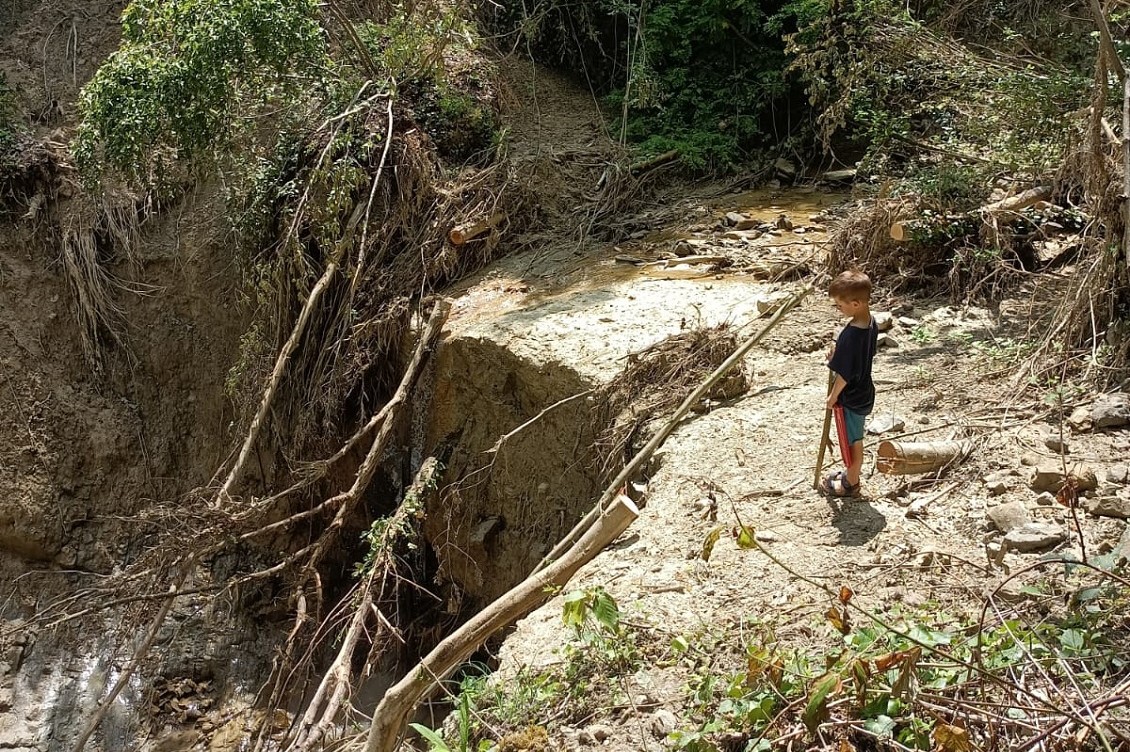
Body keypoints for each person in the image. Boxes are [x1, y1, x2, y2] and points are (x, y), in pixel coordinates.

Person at [823, 270, 879, 497]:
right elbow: (856, 356)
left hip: (852, 397)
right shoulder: (869, 321)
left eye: (840, 305)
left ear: (855, 303)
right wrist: (836, 353)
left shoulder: (851, 337)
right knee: (853, 438)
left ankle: (851, 483)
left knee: (853, 441)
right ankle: (849, 473)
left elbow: (844, 374)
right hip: (865, 389)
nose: (839, 310)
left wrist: (833, 397)